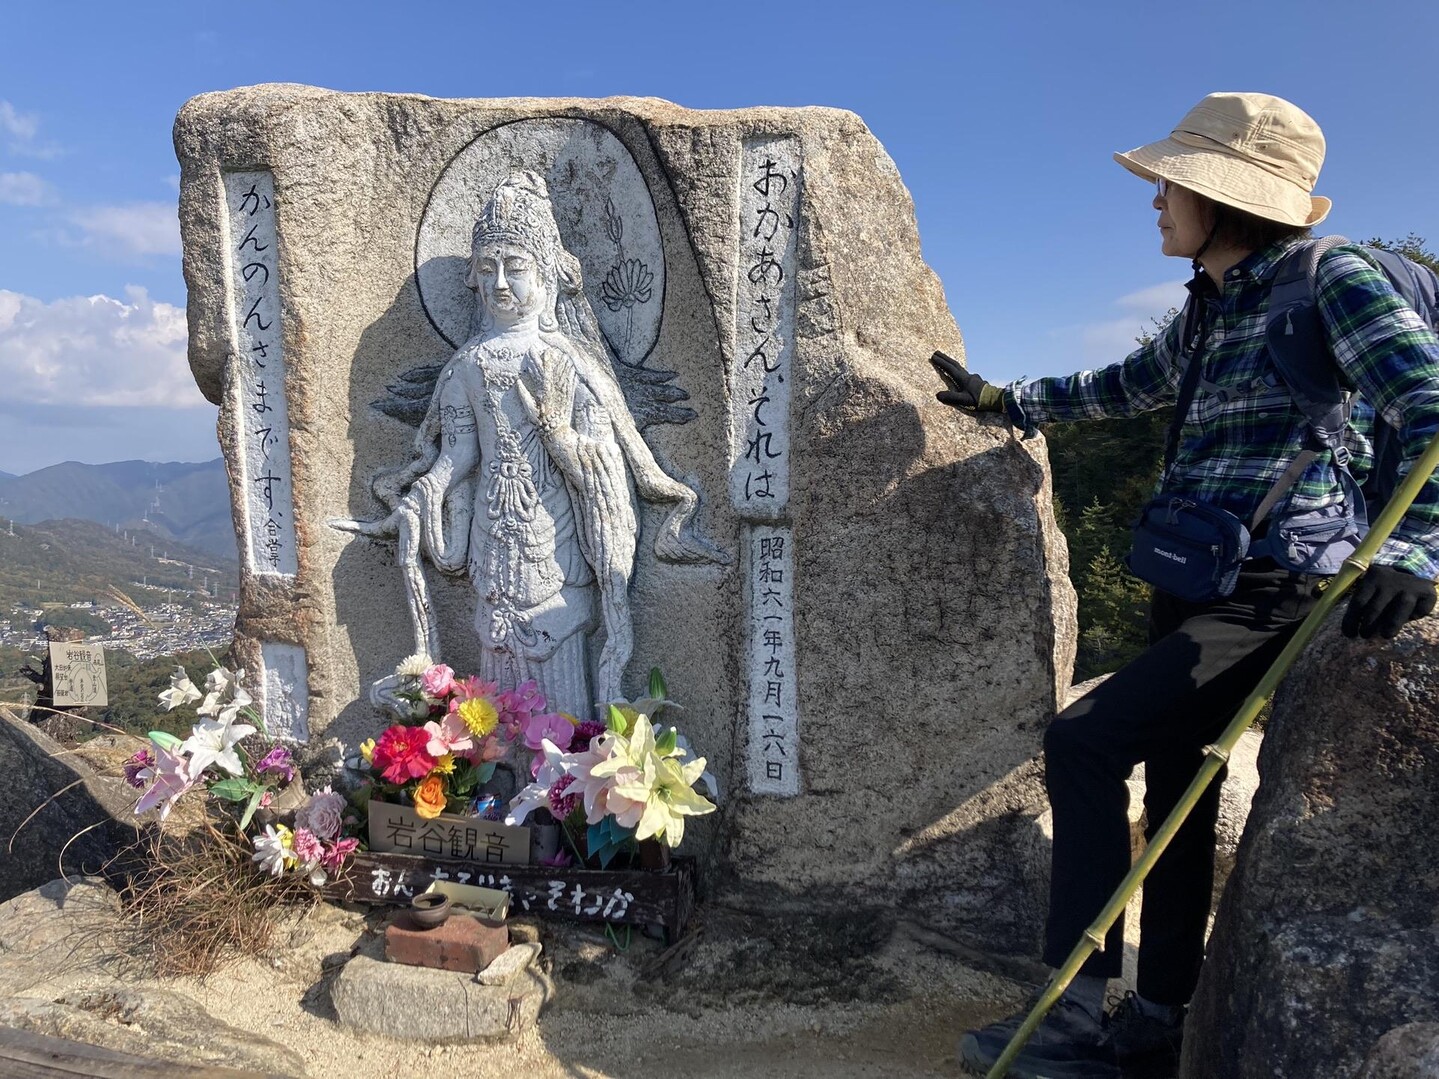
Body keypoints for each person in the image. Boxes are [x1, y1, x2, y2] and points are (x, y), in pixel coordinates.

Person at [936, 92, 1439, 1078]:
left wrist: (1414, 553)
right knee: (1176, 784)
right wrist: (1007, 400)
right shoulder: (1214, 298)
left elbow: (1428, 402)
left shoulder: (1325, 279)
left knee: (1083, 740)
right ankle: (1158, 1014)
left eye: (1170, 183)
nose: (1155, 199)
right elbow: (1129, 384)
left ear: (1222, 197)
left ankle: (1073, 1012)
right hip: (1192, 573)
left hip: (1273, 586)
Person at [334, 172, 720, 719]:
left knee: (560, 700)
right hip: (493, 543)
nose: (499, 283)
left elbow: (604, 468)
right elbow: (460, 452)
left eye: (515, 267)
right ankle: (494, 770)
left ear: (547, 272)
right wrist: (426, 492)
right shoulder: (468, 365)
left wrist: (558, 432)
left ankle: (570, 771)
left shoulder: (569, 365)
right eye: (487, 268)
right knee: (494, 698)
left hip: (556, 548)